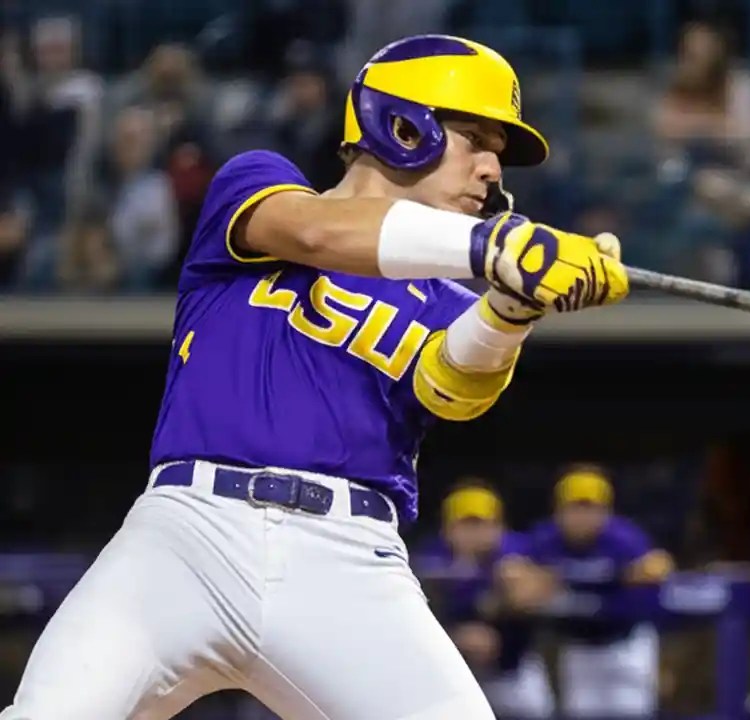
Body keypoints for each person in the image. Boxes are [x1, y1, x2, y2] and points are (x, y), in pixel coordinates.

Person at [1, 34, 628, 719]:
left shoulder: (453, 295)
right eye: (474, 138)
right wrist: (490, 247)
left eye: (498, 154)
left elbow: (454, 392)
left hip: (348, 558)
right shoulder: (258, 183)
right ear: (402, 125)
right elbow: (321, 235)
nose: (491, 172)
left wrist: (510, 307)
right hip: (183, 536)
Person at [528, 465, 673, 719]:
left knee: (631, 711)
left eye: (590, 508)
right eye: (575, 507)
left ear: (606, 511)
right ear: (559, 511)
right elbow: (516, 571)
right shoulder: (546, 540)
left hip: (625, 645)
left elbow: (659, 565)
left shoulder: (623, 539)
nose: (582, 516)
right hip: (579, 648)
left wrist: (637, 572)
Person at [417, 479, 557, 718]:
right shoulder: (431, 559)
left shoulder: (515, 552)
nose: (475, 534)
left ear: (499, 527)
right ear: (447, 529)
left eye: (483, 525)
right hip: (449, 676)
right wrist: (457, 637)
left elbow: (538, 592)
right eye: (465, 525)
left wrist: (504, 596)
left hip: (512, 671)